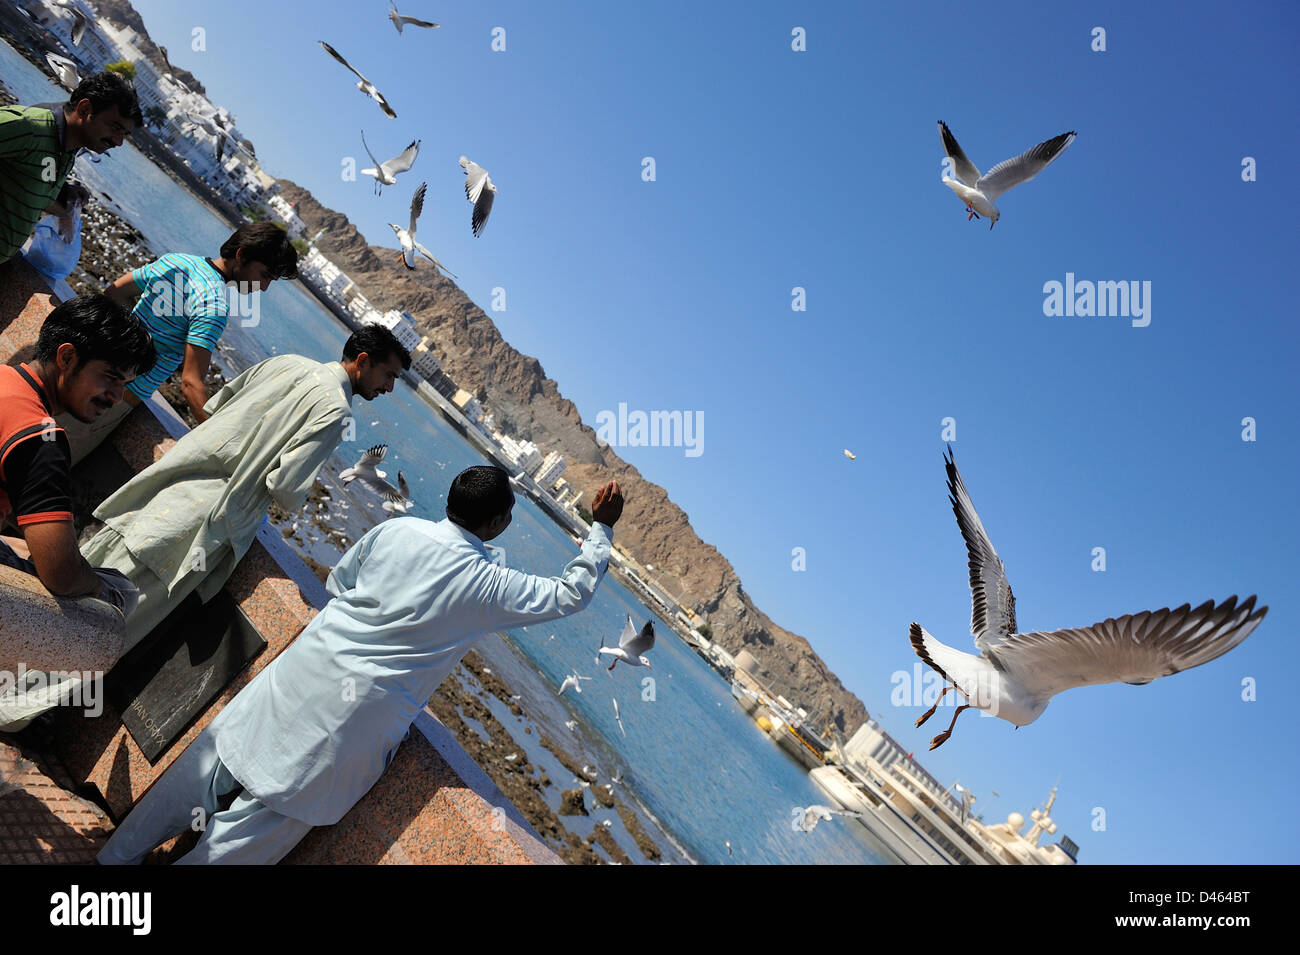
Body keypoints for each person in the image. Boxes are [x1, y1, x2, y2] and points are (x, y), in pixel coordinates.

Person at [98, 468, 624, 864]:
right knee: (250, 837)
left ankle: (109, 861)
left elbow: (341, 583)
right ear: (497, 523)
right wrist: (600, 530)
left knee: (204, 770)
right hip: (347, 728)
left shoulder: (397, 532)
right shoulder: (490, 585)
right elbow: (571, 592)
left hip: (301, 674)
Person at [79, 324, 410, 650]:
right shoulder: (336, 410)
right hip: (197, 530)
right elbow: (285, 485)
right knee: (101, 631)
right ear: (363, 360)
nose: (390, 388)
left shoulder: (288, 362)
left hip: (165, 492)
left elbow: (216, 407)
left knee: (70, 587)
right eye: (389, 375)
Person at [0, 296, 156, 731]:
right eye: (109, 377)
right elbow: (62, 574)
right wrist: (97, 586)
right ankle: (14, 712)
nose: (116, 396)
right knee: (113, 604)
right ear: (67, 356)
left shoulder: (5, 377)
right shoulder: (40, 436)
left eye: (124, 384)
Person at [60, 223, 301, 465]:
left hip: (86, 369)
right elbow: (190, 383)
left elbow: (114, 293)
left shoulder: (178, 261)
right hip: (117, 396)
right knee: (52, 464)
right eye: (265, 275)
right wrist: (223, 442)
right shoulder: (213, 305)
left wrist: (126, 336)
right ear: (242, 255)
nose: (265, 287)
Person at [0, 72, 141, 266]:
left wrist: (65, 193)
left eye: (124, 134)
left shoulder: (66, 153)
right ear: (84, 109)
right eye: (115, 128)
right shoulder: (29, 127)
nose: (118, 142)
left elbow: (28, 189)